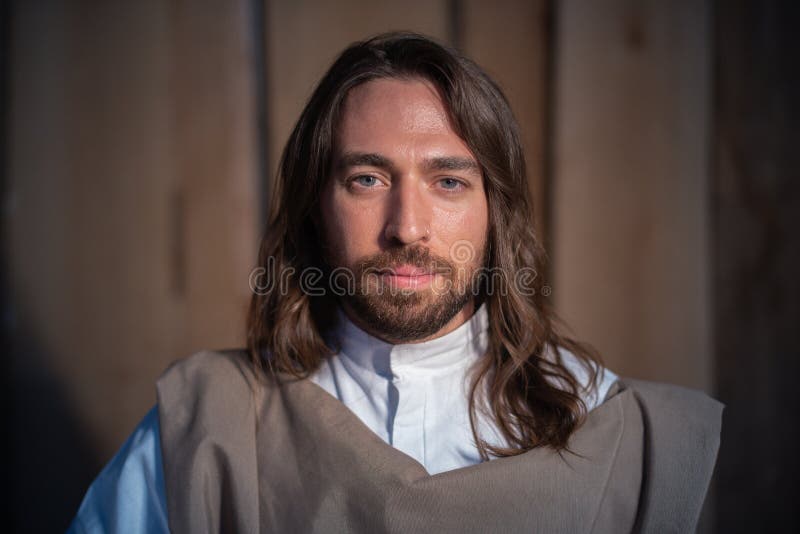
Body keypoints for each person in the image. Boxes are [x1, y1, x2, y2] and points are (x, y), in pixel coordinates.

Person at [69, 32, 722, 533]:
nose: (408, 227)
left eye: (448, 181)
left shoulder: (625, 437)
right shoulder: (201, 430)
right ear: (314, 207)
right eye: (367, 180)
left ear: (496, 211)